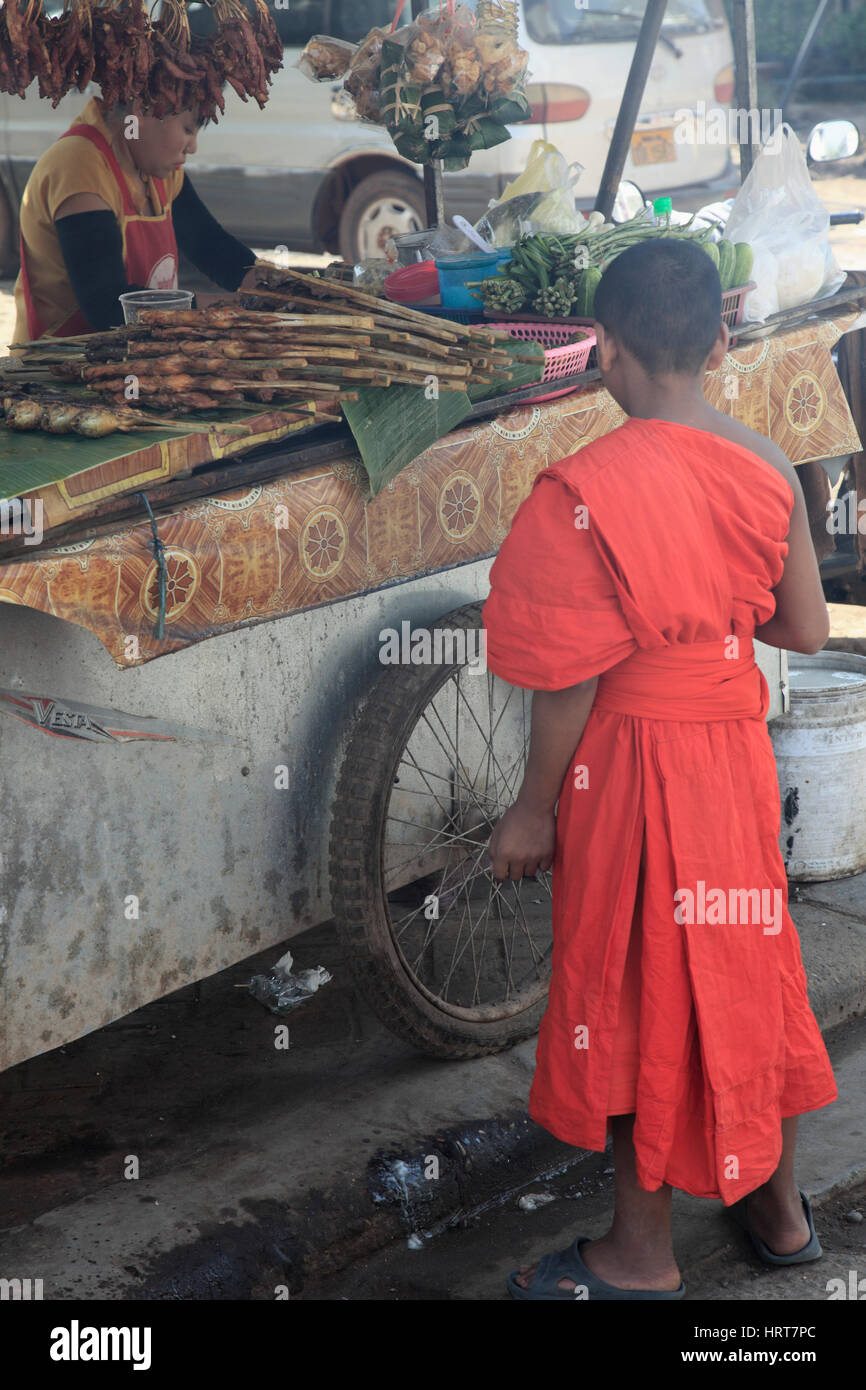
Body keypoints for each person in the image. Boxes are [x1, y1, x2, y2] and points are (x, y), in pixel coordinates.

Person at [482, 238, 837, 1301]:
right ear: (722, 341)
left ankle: (638, 1255)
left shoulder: (584, 489)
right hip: (727, 757)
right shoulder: (768, 465)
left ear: (602, 352)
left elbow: (565, 682)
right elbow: (807, 628)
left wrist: (530, 813)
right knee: (736, 970)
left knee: (637, 987)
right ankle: (774, 1212)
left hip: (627, 767)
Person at [13, 93, 257, 343]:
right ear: (142, 109)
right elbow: (107, 306)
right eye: (187, 129)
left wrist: (273, 286)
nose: (192, 147)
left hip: (133, 359)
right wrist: (229, 307)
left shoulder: (156, 169)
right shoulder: (78, 164)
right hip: (61, 367)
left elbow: (208, 243)